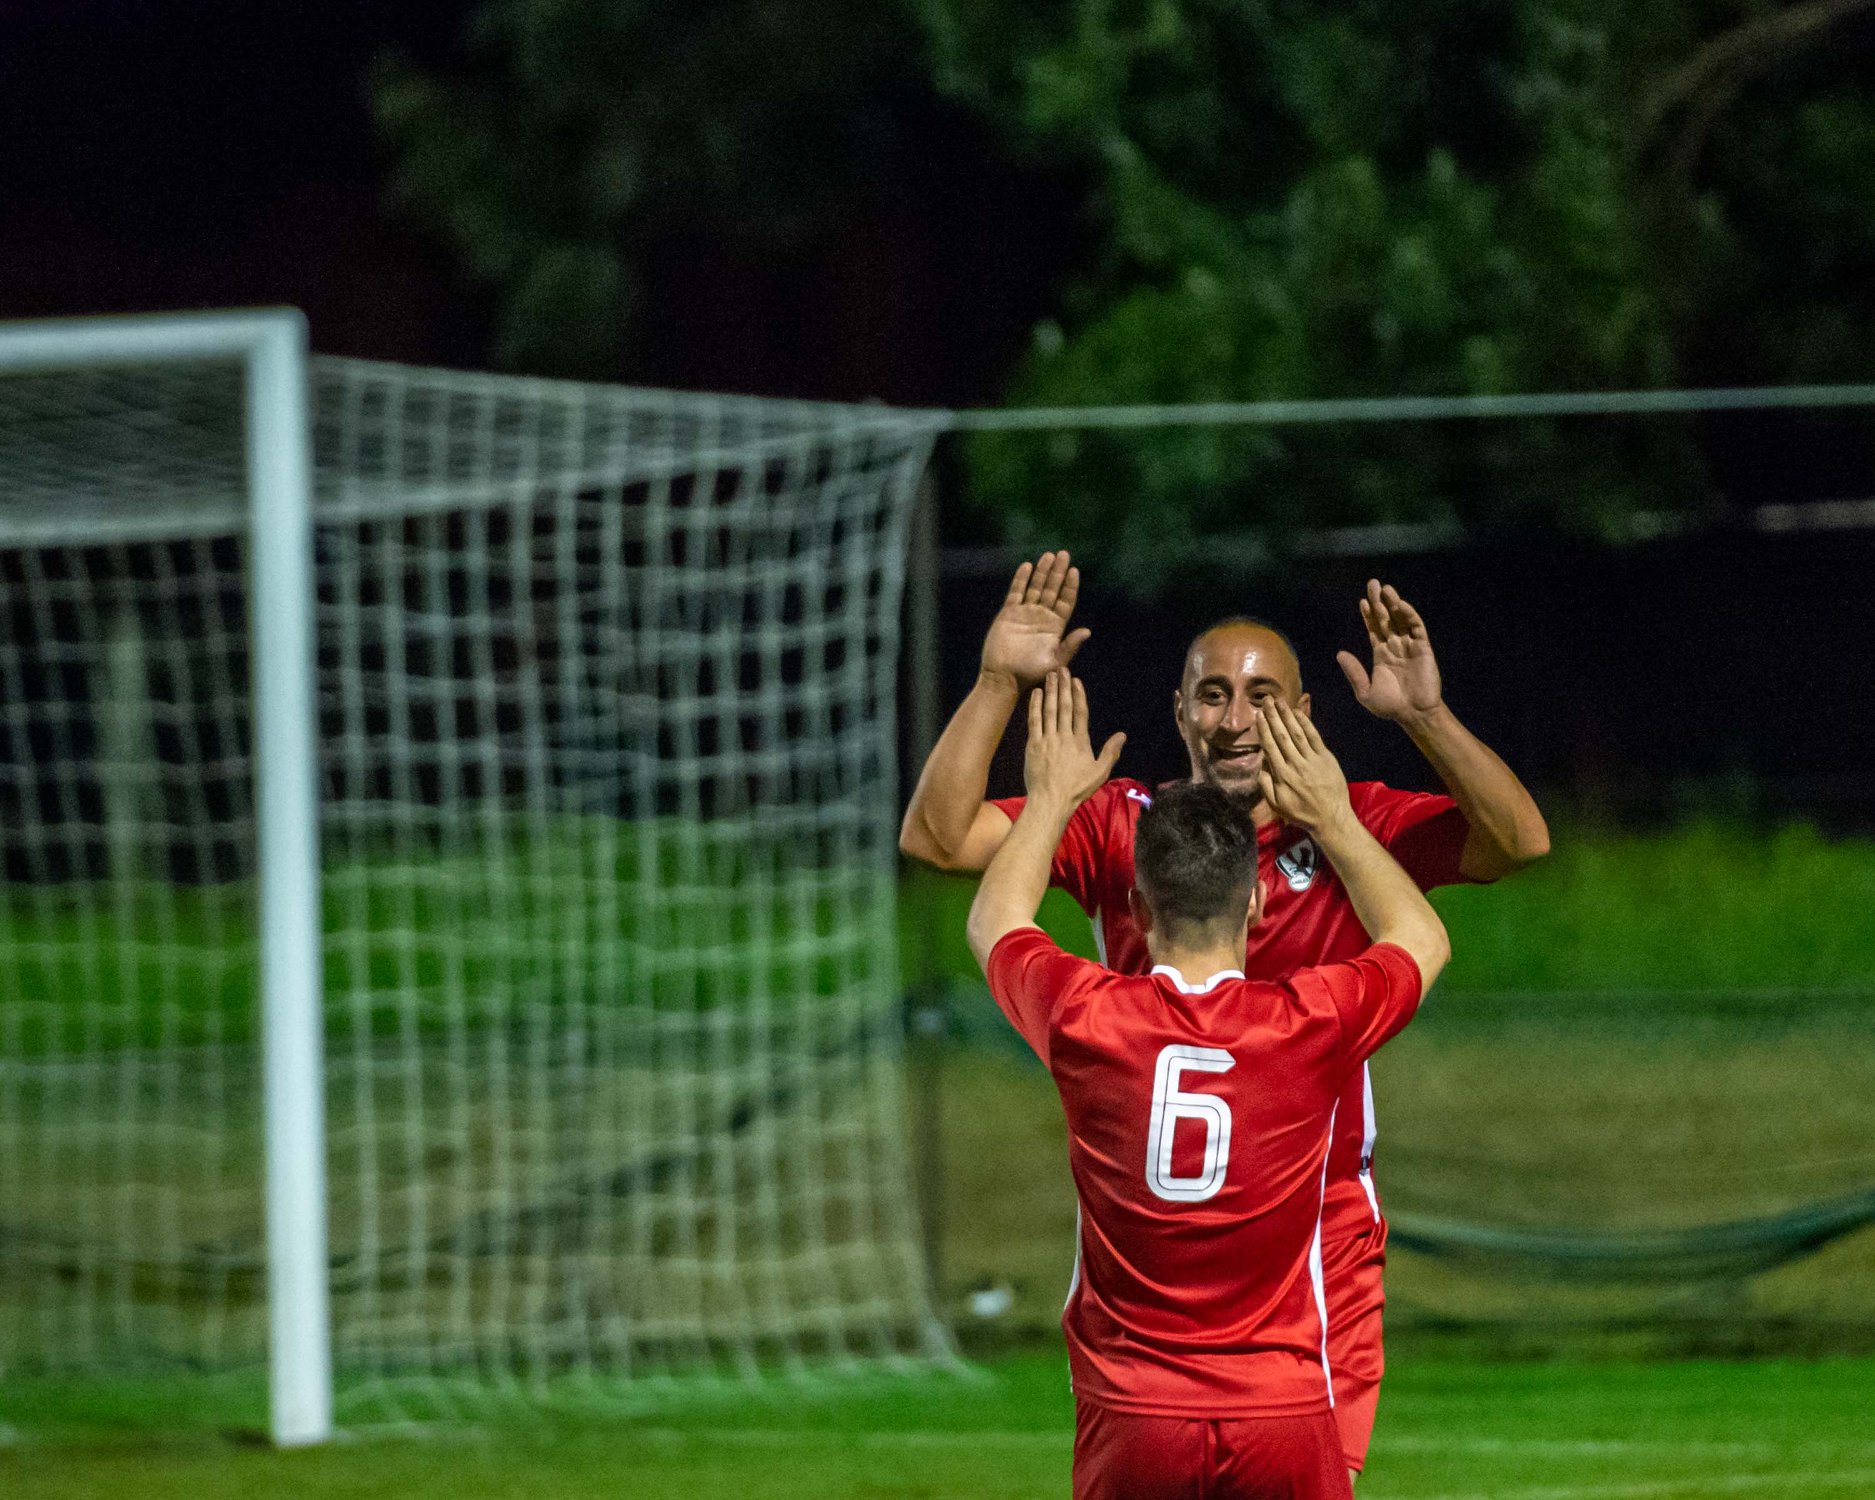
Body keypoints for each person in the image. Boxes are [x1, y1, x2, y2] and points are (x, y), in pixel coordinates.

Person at [902, 552, 1549, 1478]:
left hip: (1316, 1225)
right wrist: (997, 682)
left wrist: (1422, 716)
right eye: (1210, 694)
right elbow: (937, 835)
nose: (1234, 718)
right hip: (1162, 1219)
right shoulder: (1125, 824)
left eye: (1259, 696)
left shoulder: (1349, 824)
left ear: (1302, 714)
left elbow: (1517, 840)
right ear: (1178, 714)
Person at [968, 671, 1449, 1500]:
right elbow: (1421, 936)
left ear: (1139, 906)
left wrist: (1048, 800)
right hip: (1281, 1406)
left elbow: (995, 920)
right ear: (1258, 903)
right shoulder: (1308, 1026)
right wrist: (1333, 816)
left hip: (1134, 1411)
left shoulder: (1086, 1020)